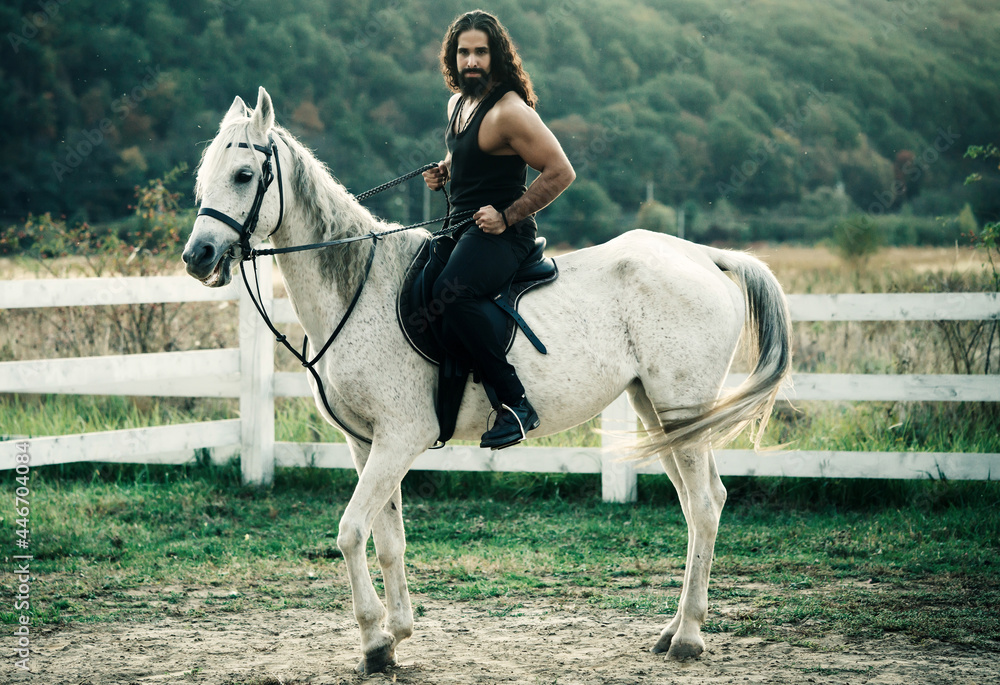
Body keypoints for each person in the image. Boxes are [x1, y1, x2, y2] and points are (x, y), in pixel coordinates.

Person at [423, 10, 576, 450]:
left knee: (453, 291)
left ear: (497, 56)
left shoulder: (510, 111)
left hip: (505, 235)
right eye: (464, 52)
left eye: (480, 52)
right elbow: (468, 152)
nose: (471, 61)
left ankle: (515, 404)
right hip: (462, 225)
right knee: (422, 288)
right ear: (453, 57)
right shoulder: (458, 104)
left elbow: (560, 172)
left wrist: (507, 216)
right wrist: (445, 169)